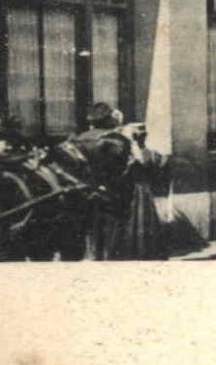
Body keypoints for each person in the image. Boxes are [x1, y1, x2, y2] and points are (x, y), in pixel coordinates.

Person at [71, 103, 134, 261]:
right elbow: (122, 169)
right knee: (112, 234)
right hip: (112, 193)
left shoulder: (78, 140)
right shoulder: (117, 140)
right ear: (109, 120)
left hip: (84, 192)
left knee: (90, 231)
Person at [113, 122, 169, 260]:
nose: (142, 138)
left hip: (138, 189)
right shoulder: (144, 153)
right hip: (139, 189)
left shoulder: (142, 153)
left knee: (139, 219)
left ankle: (140, 250)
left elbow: (146, 166)